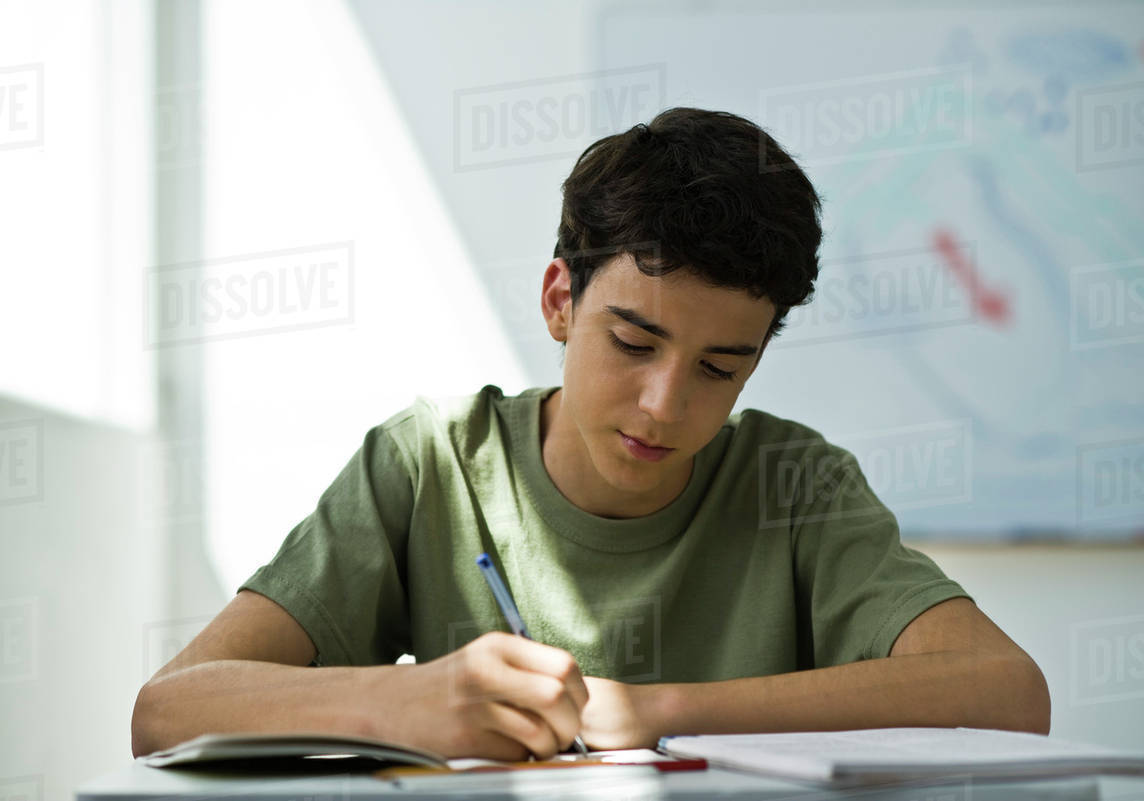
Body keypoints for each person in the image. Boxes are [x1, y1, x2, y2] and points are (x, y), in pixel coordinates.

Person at [131, 108, 1051, 762]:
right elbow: (167, 708)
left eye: (719, 368)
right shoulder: (430, 464)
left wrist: (653, 709)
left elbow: (1009, 691)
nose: (663, 403)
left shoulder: (793, 483)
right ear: (560, 301)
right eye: (634, 341)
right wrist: (406, 697)